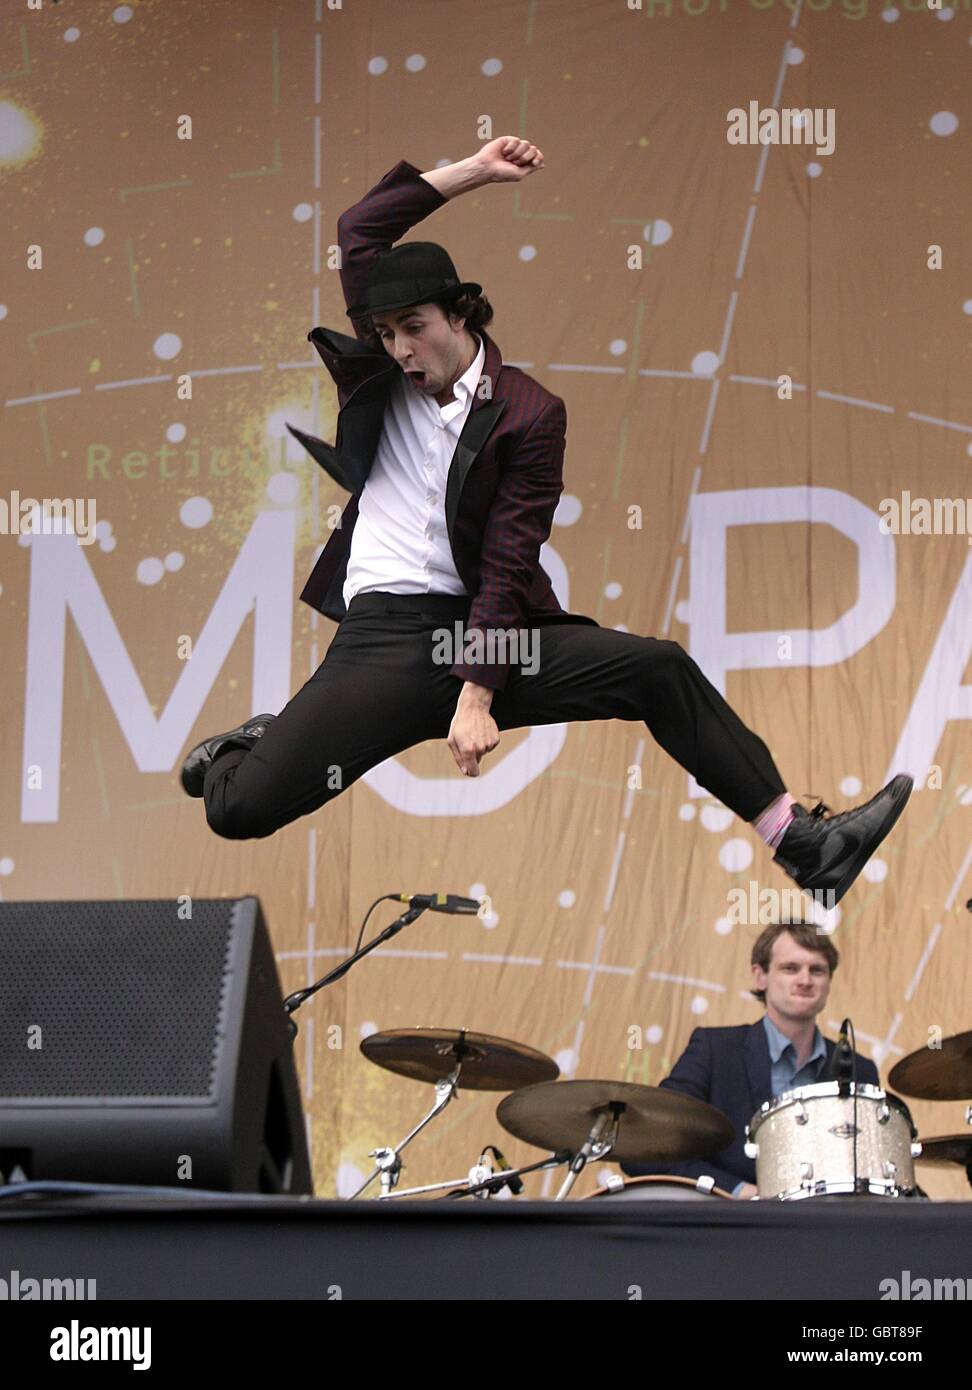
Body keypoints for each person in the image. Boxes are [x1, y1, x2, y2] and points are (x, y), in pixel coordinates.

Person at [179, 136, 911, 909]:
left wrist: (476, 696)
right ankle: (253, 743)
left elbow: (506, 561)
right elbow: (361, 227)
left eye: (414, 327)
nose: (399, 349)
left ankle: (802, 843)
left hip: (486, 633)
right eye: (386, 333)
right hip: (387, 639)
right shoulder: (387, 364)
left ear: (459, 312)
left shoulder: (528, 414)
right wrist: (473, 173)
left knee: (656, 668)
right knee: (238, 809)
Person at [621, 922, 880, 1198]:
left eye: (817, 970)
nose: (805, 980)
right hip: (731, 1229)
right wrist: (738, 1191)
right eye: (790, 968)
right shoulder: (715, 1051)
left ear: (829, 981)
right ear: (760, 976)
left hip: (828, 1232)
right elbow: (644, 1150)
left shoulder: (859, 1069)